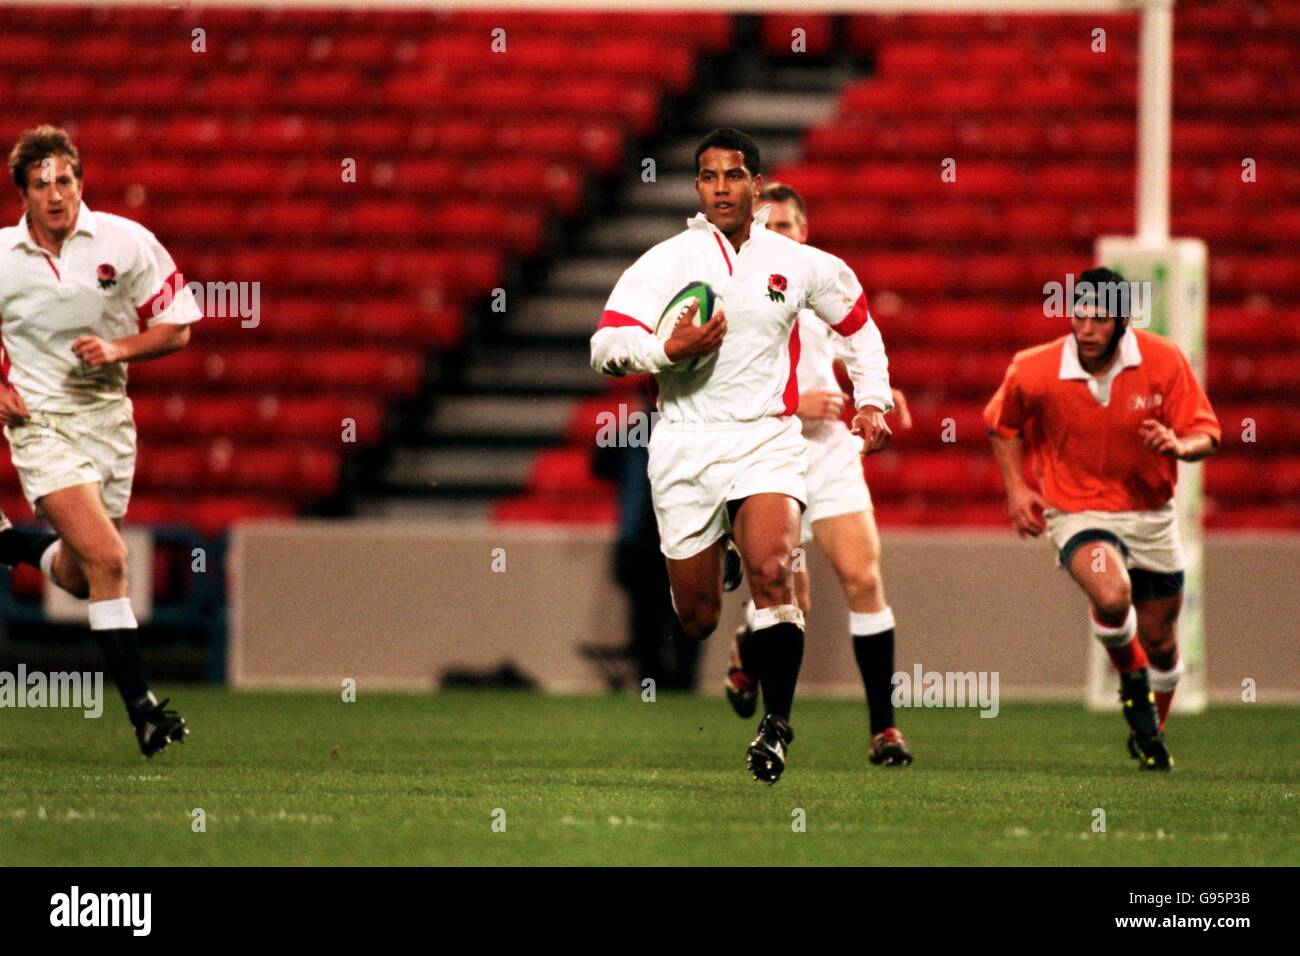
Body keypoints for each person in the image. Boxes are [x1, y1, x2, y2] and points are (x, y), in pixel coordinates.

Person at [590, 128, 893, 782]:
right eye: (709, 177)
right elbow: (605, 345)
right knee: (697, 619)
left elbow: (858, 327)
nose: (721, 187)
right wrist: (669, 351)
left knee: (776, 573)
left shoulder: (798, 262)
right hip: (686, 446)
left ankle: (776, 727)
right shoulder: (665, 262)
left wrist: (873, 401)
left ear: (757, 187)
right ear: (698, 187)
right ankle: (723, 547)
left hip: (766, 439)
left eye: (734, 176)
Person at [1, 125, 202, 757]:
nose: (56, 194)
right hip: (41, 426)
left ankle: (7, 545)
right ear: (24, 195)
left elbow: (177, 328)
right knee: (112, 560)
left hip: (109, 422)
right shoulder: (2, 257)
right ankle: (143, 711)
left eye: (65, 180)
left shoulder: (126, 241)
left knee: (86, 577)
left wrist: (117, 347)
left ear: (80, 182)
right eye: (42, 184)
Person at [984, 267, 1220, 770]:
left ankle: (1151, 733)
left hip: (1151, 515)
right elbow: (1000, 424)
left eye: (1099, 317)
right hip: (1077, 510)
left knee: (1161, 642)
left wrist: (1181, 445)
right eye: (1079, 314)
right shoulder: (1034, 368)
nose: (1086, 327)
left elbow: (1207, 433)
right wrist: (1017, 488)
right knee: (1113, 596)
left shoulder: (1163, 361)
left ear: (1122, 321)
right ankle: (1131, 683)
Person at [724, 182, 914, 766]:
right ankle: (760, 680)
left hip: (829, 456)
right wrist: (794, 402)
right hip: (771, 453)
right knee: (791, 597)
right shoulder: (735, 296)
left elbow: (859, 348)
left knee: (862, 578)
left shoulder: (820, 285)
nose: (777, 236)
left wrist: (878, 399)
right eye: (768, 226)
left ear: (803, 233)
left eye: (787, 226)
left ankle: (884, 730)